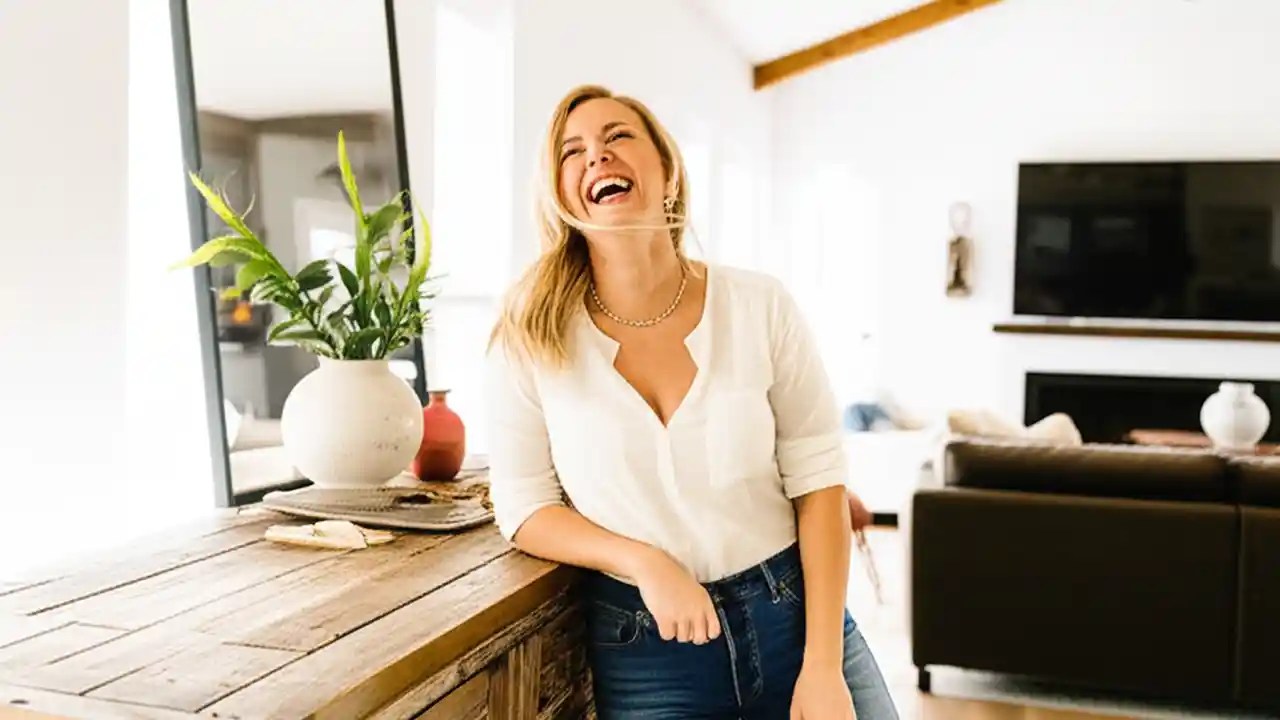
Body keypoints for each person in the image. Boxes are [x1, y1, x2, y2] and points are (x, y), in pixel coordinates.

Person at [485, 84, 898, 720]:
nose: (597, 156)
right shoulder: (530, 334)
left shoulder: (761, 306)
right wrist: (641, 560)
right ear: (561, 195)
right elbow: (523, 505)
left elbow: (819, 484)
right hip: (649, 652)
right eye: (573, 152)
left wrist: (822, 666)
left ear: (668, 171)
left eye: (618, 137)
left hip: (797, 620)